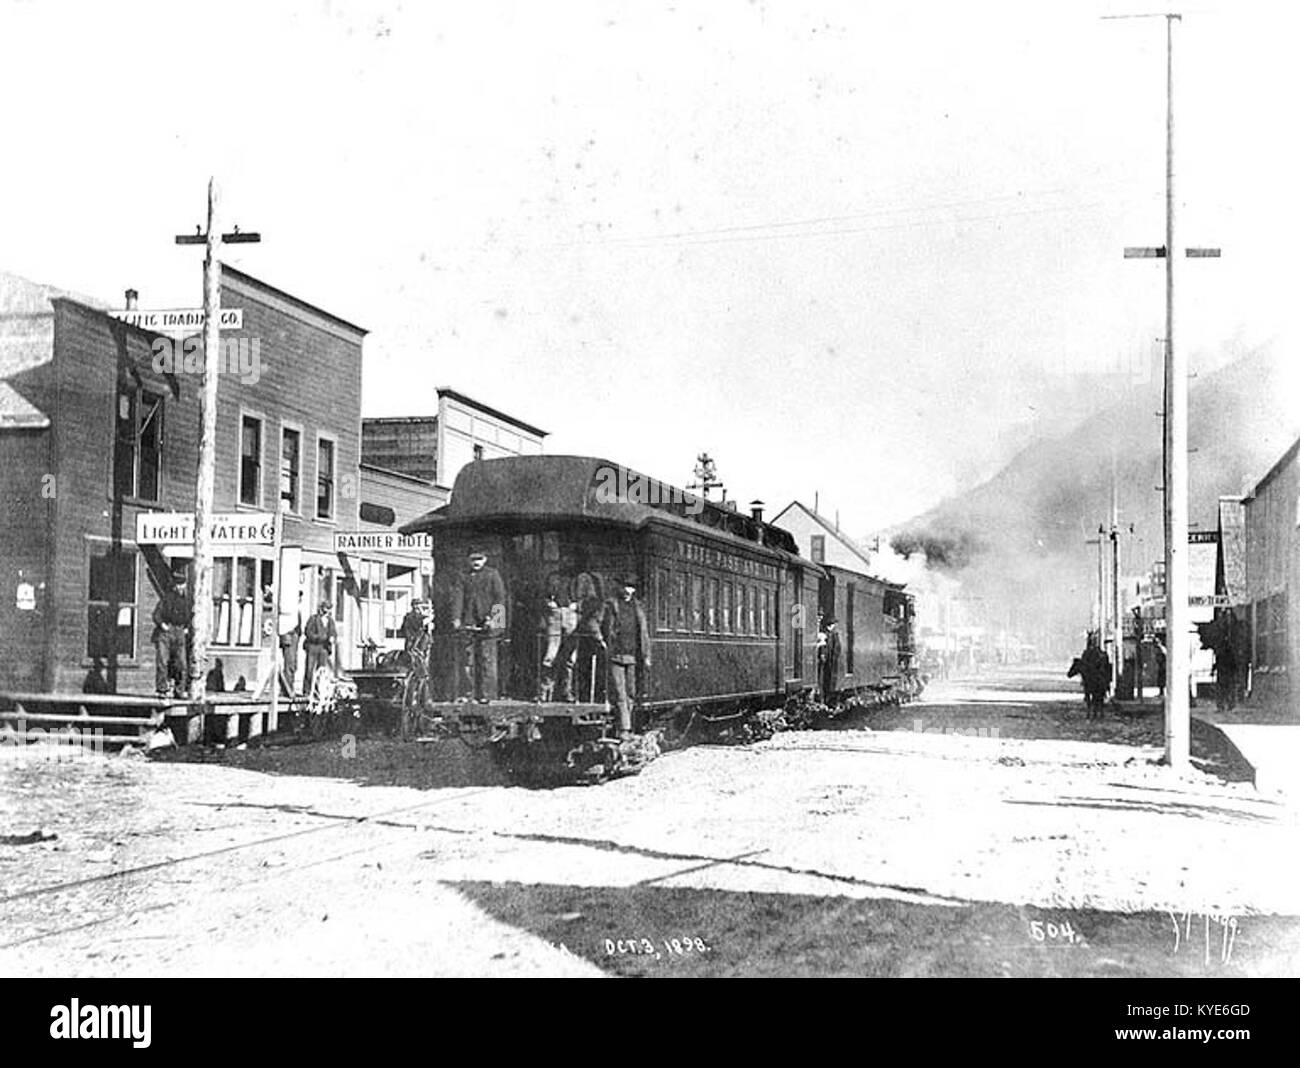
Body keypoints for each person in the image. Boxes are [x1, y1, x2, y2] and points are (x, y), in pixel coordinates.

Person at [452, 549, 507, 703]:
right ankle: (468, 694)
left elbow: (500, 598)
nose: (476, 562)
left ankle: (487, 695)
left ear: (485, 559)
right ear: (468, 560)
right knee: (467, 660)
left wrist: (493, 619)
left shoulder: (492, 574)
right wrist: (456, 618)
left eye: (479, 559)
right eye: (473, 559)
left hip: (489, 623)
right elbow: (458, 597)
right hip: (469, 623)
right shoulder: (462, 575)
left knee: (486, 660)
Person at [601, 574, 651, 739]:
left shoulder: (638, 607)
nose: (627, 590)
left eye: (631, 587)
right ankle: (625, 729)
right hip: (616, 655)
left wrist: (646, 655)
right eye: (625, 586)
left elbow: (643, 634)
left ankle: (624, 726)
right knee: (620, 693)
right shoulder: (611, 605)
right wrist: (604, 643)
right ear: (620, 588)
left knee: (631, 692)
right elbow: (602, 625)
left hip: (633, 656)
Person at [152, 580, 190, 697]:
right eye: (178, 585)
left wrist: (186, 628)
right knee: (163, 661)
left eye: (182, 585)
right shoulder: (167, 598)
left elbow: (190, 616)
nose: (180, 588)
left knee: (182, 663)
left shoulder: (186, 601)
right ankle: (162, 689)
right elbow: (156, 614)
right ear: (175, 586)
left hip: (179, 632)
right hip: (166, 632)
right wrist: (163, 625)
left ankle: (180, 690)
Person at [302, 601, 338, 695]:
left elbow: (333, 632)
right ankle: (307, 691)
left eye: (328, 610)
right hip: (313, 647)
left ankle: (318, 691)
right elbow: (308, 632)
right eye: (325, 609)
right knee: (309, 670)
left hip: (324, 649)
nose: (326, 612)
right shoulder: (313, 619)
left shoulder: (330, 621)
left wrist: (332, 638)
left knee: (321, 671)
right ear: (321, 609)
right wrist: (319, 637)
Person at [1074, 632, 1111, 719]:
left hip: (1097, 674)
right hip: (1091, 675)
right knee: (1088, 683)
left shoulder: (1100, 653)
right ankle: (1092, 709)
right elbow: (1084, 665)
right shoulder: (1087, 653)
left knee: (1100, 685)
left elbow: (1103, 666)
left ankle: (1098, 709)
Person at [279, 591, 303, 696]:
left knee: (293, 664)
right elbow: (283, 626)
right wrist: (285, 637)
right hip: (289, 637)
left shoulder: (297, 610)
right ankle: (287, 689)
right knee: (289, 663)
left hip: (295, 638)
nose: (299, 599)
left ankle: (290, 687)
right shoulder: (287, 612)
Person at [821, 615, 843, 699]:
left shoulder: (834, 634)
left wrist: (835, 656)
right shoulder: (825, 633)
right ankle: (826, 696)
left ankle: (830, 695)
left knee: (832, 678)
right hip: (827, 659)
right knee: (825, 678)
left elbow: (838, 647)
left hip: (832, 659)